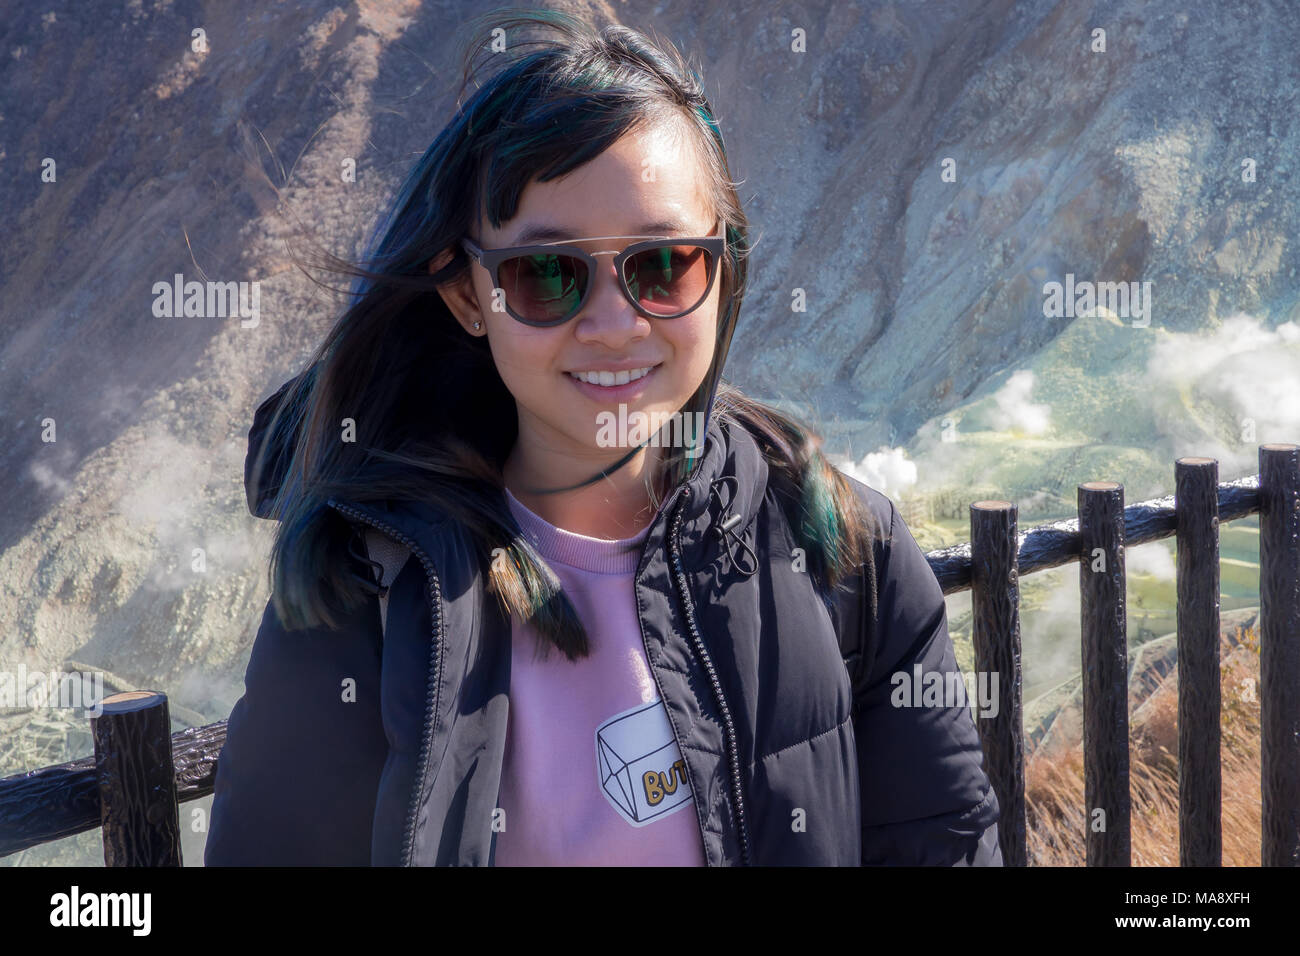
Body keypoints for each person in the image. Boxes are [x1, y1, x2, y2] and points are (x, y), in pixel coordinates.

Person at [204, 8, 1001, 867]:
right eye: (547, 275)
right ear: (467, 295)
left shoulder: (846, 550)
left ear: (723, 267)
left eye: (664, 265)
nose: (616, 324)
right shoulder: (367, 588)